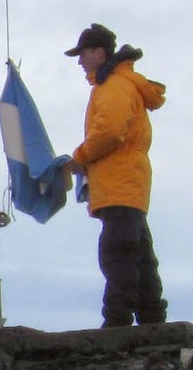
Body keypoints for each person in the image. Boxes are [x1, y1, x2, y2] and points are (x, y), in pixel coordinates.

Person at [60, 23, 168, 328]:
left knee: (117, 252)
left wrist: (80, 158)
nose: (80, 61)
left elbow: (108, 131)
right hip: (127, 182)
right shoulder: (119, 83)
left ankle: (117, 321)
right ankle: (151, 318)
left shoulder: (114, 86)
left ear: (99, 52)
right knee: (139, 253)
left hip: (119, 182)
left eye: (82, 54)